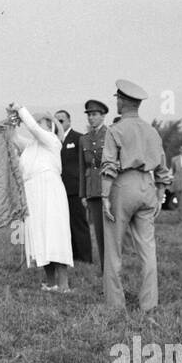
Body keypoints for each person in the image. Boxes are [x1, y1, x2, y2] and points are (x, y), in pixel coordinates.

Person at [100, 80, 171, 313]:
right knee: (148, 250)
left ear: (122, 101)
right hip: (147, 186)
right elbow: (162, 166)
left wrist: (104, 195)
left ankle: (115, 304)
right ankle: (149, 304)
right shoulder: (151, 131)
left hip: (123, 185)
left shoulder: (116, 130)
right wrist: (160, 192)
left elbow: (109, 165)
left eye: (117, 99)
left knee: (113, 249)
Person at [10, 105, 74, 291]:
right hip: (33, 191)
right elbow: (12, 137)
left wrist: (20, 110)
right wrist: (11, 119)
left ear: (49, 126)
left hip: (49, 189)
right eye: (36, 121)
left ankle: (63, 284)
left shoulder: (52, 141)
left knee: (55, 233)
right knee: (40, 234)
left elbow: (33, 129)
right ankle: (51, 282)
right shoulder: (30, 146)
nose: (36, 125)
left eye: (40, 122)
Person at [75, 99, 109, 274]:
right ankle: (105, 271)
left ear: (103, 116)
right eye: (89, 115)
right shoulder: (84, 139)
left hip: (109, 190)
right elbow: (83, 167)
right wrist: (82, 194)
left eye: (95, 114)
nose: (91, 118)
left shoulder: (110, 134)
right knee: (100, 234)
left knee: (111, 232)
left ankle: (113, 269)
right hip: (93, 190)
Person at [54, 110, 92, 266]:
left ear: (69, 121)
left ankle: (84, 257)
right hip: (58, 188)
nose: (59, 124)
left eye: (61, 121)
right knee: (64, 225)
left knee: (78, 223)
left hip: (75, 188)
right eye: (56, 122)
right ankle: (70, 255)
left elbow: (87, 164)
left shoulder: (78, 138)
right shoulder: (53, 139)